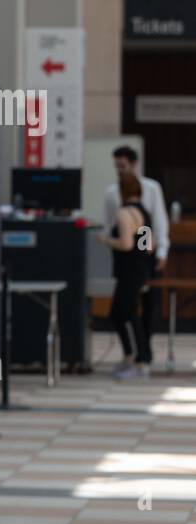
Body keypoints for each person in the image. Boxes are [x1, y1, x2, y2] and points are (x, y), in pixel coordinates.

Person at [103, 145, 168, 370]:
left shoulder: (150, 190)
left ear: (133, 164)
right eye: (117, 166)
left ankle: (141, 356)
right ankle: (136, 355)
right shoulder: (115, 195)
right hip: (132, 258)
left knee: (141, 310)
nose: (119, 170)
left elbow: (154, 226)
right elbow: (121, 226)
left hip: (135, 259)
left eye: (122, 165)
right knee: (126, 311)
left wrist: (151, 252)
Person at [99, 173, 154, 379]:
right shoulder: (144, 213)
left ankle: (139, 362)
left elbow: (126, 244)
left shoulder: (123, 214)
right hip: (140, 270)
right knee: (118, 313)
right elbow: (148, 247)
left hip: (128, 272)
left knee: (128, 315)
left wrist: (106, 240)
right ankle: (131, 356)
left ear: (121, 192)